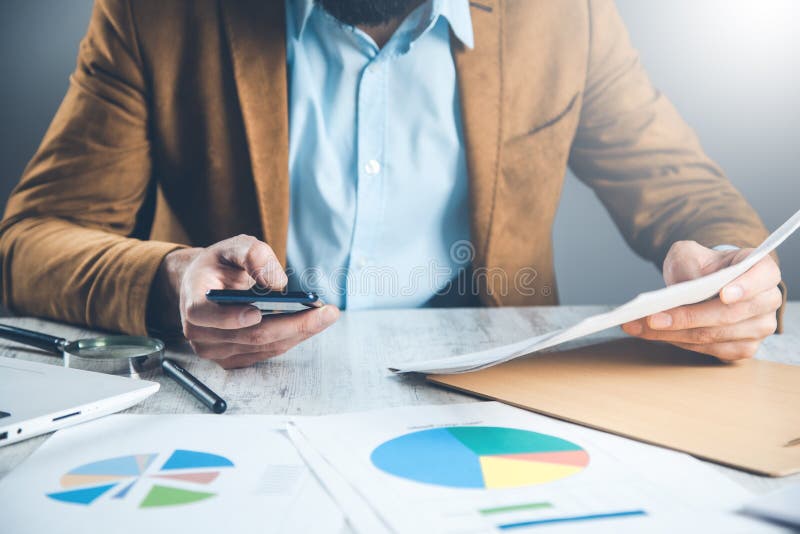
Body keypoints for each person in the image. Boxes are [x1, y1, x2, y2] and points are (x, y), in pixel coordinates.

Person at [0, 0, 784, 369]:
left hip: (498, 404)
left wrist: (727, 268)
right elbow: (30, 242)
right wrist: (170, 278)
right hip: (237, 405)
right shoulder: (155, 13)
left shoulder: (563, 13)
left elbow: (681, 190)